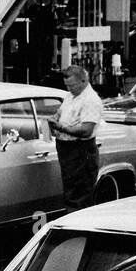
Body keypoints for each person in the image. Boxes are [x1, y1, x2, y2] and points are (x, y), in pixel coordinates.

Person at [46, 64, 104, 213]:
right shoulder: (71, 95)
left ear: (84, 81)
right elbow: (62, 111)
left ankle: (77, 230)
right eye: (67, 86)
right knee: (70, 191)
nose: (69, 89)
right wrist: (56, 117)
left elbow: (86, 130)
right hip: (67, 150)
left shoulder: (90, 100)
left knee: (79, 195)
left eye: (72, 85)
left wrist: (60, 127)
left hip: (80, 150)